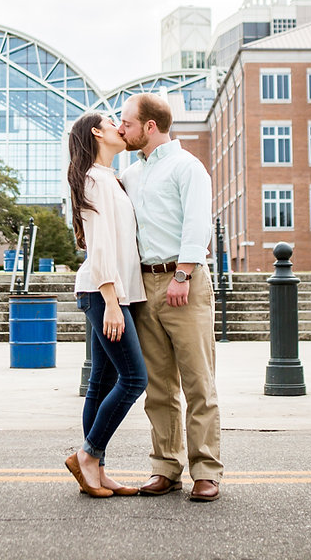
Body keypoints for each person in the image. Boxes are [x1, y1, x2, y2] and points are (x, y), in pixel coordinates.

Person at [118, 92, 222, 502]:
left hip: (184, 280)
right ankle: (165, 467)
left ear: (149, 126)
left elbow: (198, 223)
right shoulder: (130, 174)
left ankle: (207, 471)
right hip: (144, 286)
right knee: (158, 386)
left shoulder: (187, 166)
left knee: (198, 382)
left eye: (127, 122)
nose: (121, 128)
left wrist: (182, 274)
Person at [63, 111, 149, 499]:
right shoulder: (95, 180)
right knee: (134, 379)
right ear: (97, 132)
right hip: (103, 293)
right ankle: (87, 454)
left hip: (107, 291)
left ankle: (95, 470)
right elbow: (99, 245)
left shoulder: (108, 178)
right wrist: (113, 302)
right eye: (114, 120)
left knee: (103, 382)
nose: (121, 125)